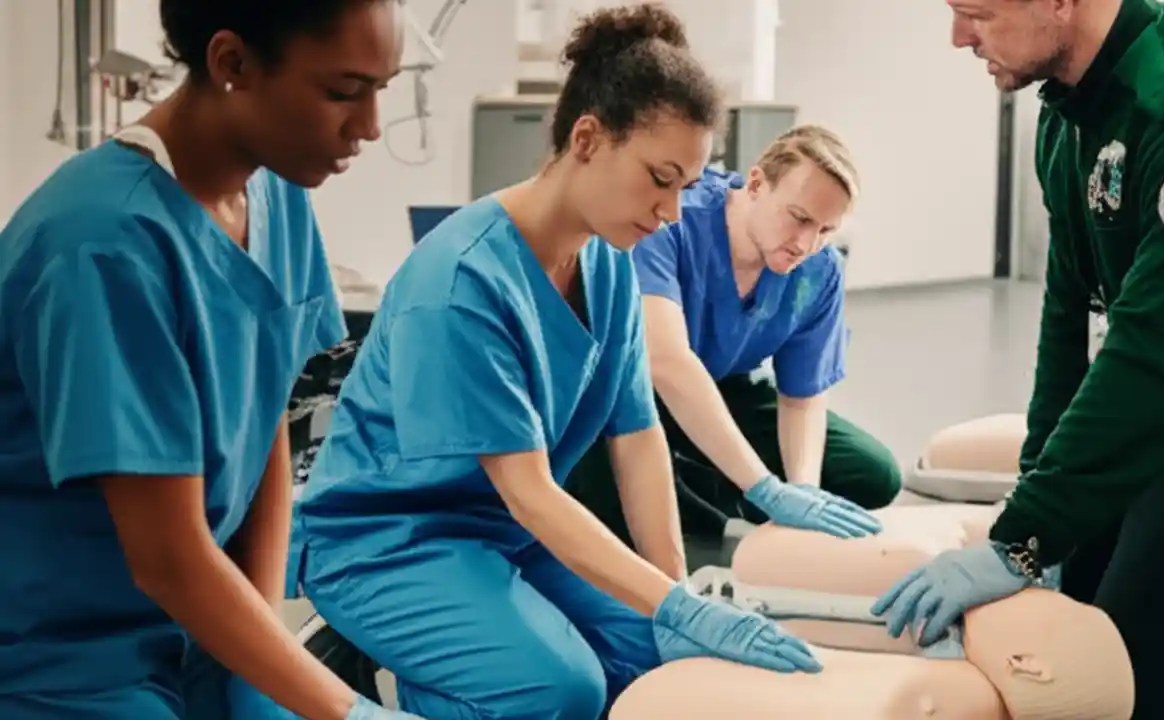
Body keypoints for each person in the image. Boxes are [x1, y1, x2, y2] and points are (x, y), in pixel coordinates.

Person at [291, 4, 822, 719]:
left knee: (654, 658)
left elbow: (638, 439)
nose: (670, 212)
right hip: (390, 543)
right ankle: (399, 683)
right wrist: (669, 601)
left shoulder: (607, 265)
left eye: (685, 190)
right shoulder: (463, 281)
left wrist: (675, 600)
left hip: (504, 534)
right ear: (587, 138)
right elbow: (529, 490)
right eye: (658, 178)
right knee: (558, 689)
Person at [0, 2, 422, 719]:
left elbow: (266, 424)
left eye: (385, 88)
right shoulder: (101, 244)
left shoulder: (277, 193)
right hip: (63, 658)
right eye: (344, 93)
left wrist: (255, 667)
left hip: (197, 627)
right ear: (232, 64)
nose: (371, 126)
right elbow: (168, 559)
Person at [871, 1, 1164, 718]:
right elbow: (1069, 323)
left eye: (978, 13)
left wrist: (1018, 542)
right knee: (1071, 606)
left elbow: (1159, 359)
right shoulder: (1067, 122)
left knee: (1114, 684)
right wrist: (1036, 512)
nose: (959, 36)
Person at [568, 125, 897, 548]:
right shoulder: (670, 222)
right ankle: (709, 489)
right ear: (757, 184)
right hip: (626, 393)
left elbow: (800, 398)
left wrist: (803, 492)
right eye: (798, 218)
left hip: (722, 389)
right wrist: (763, 487)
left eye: (825, 230)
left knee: (873, 474)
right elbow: (667, 363)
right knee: (614, 498)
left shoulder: (819, 269)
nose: (806, 244)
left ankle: (706, 482)